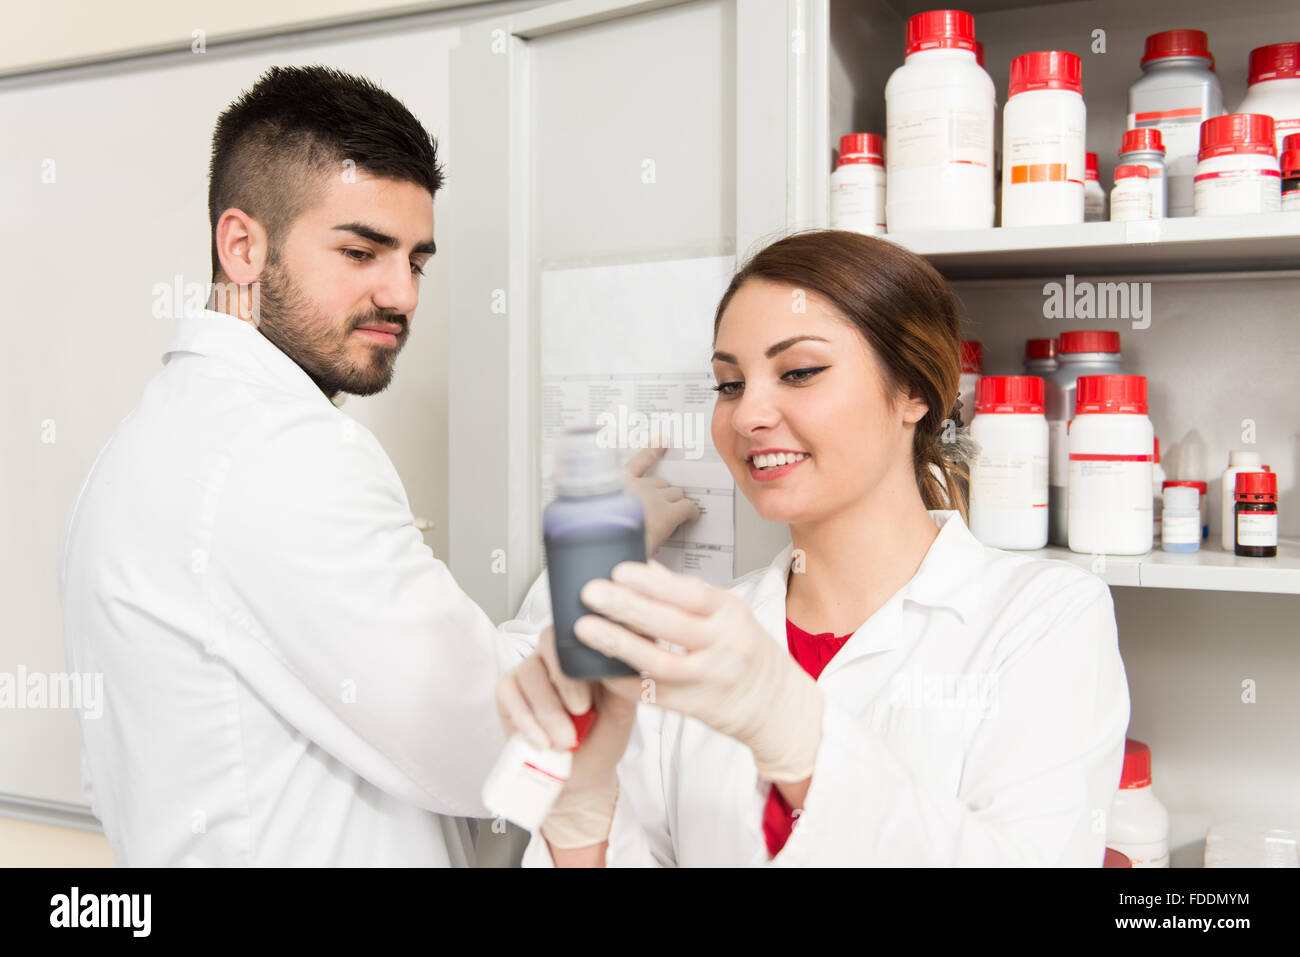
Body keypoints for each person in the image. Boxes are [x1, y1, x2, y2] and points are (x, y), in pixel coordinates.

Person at [57, 65, 697, 866]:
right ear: (243, 245)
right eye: (362, 251)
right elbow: (495, 746)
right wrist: (602, 552)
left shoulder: (144, 445)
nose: (401, 293)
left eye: (416, 260)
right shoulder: (281, 455)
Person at [495, 230, 1131, 867]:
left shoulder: (1044, 620)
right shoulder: (694, 640)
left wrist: (794, 732)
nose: (747, 416)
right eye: (729, 384)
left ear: (912, 390)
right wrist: (581, 818)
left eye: (799, 372)